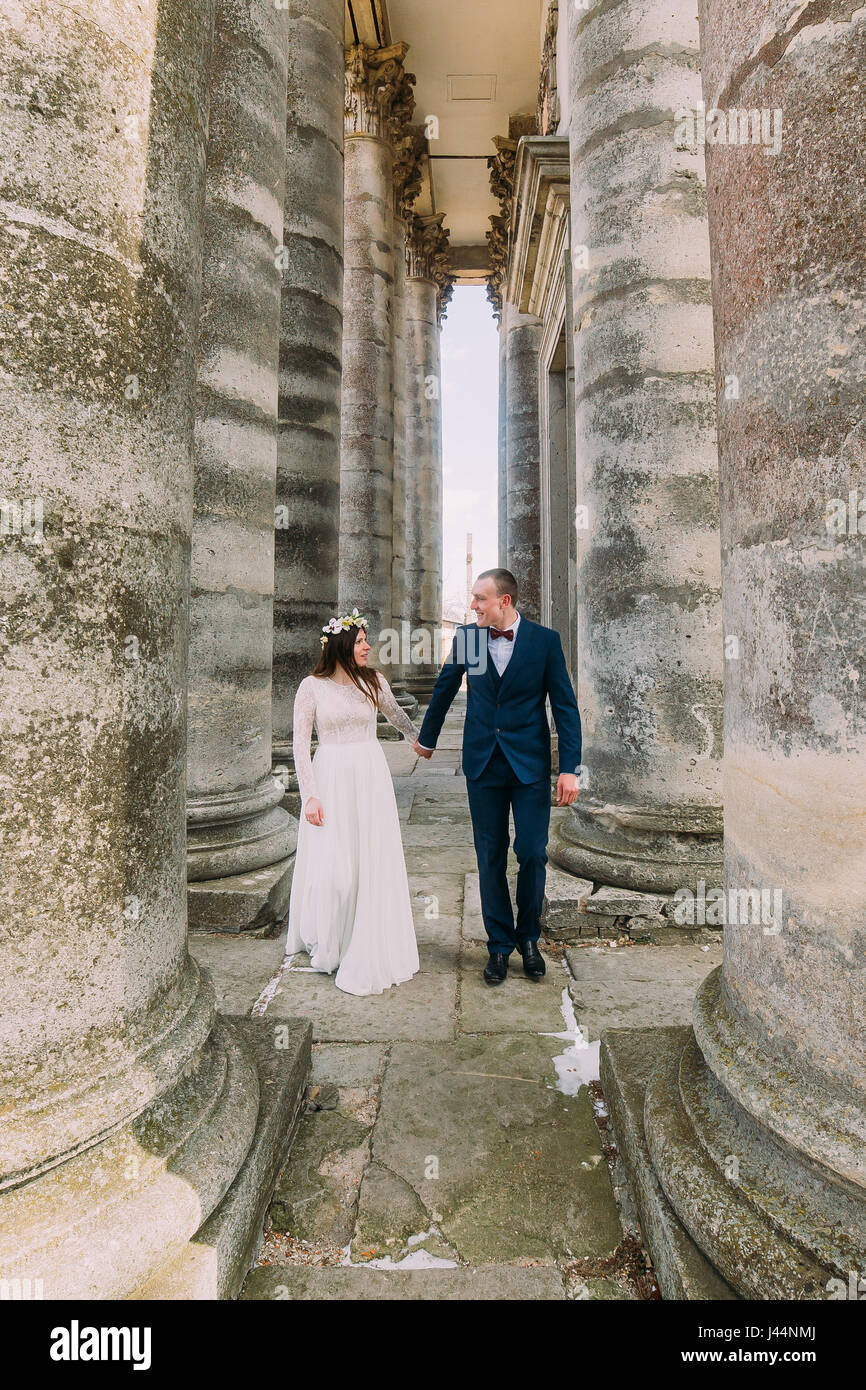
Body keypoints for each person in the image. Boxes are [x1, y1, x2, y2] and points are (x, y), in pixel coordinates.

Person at [414, 569, 582, 985]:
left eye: (480, 599)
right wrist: (427, 739)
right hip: (483, 763)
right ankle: (499, 946)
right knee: (489, 855)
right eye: (473, 599)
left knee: (532, 852)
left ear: (504, 601)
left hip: (528, 765)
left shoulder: (545, 642)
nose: (473, 606)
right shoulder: (469, 640)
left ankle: (529, 940)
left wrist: (569, 769)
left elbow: (565, 706)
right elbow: (444, 689)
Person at [286, 607, 421, 996]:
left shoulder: (374, 681)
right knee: (336, 869)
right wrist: (310, 794)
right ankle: (331, 938)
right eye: (361, 642)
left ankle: (364, 938)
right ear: (343, 645)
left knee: (368, 858)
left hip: (369, 774)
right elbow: (299, 745)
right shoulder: (310, 687)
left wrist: (420, 740)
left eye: (366, 641)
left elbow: (396, 716)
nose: (367, 647)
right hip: (330, 775)